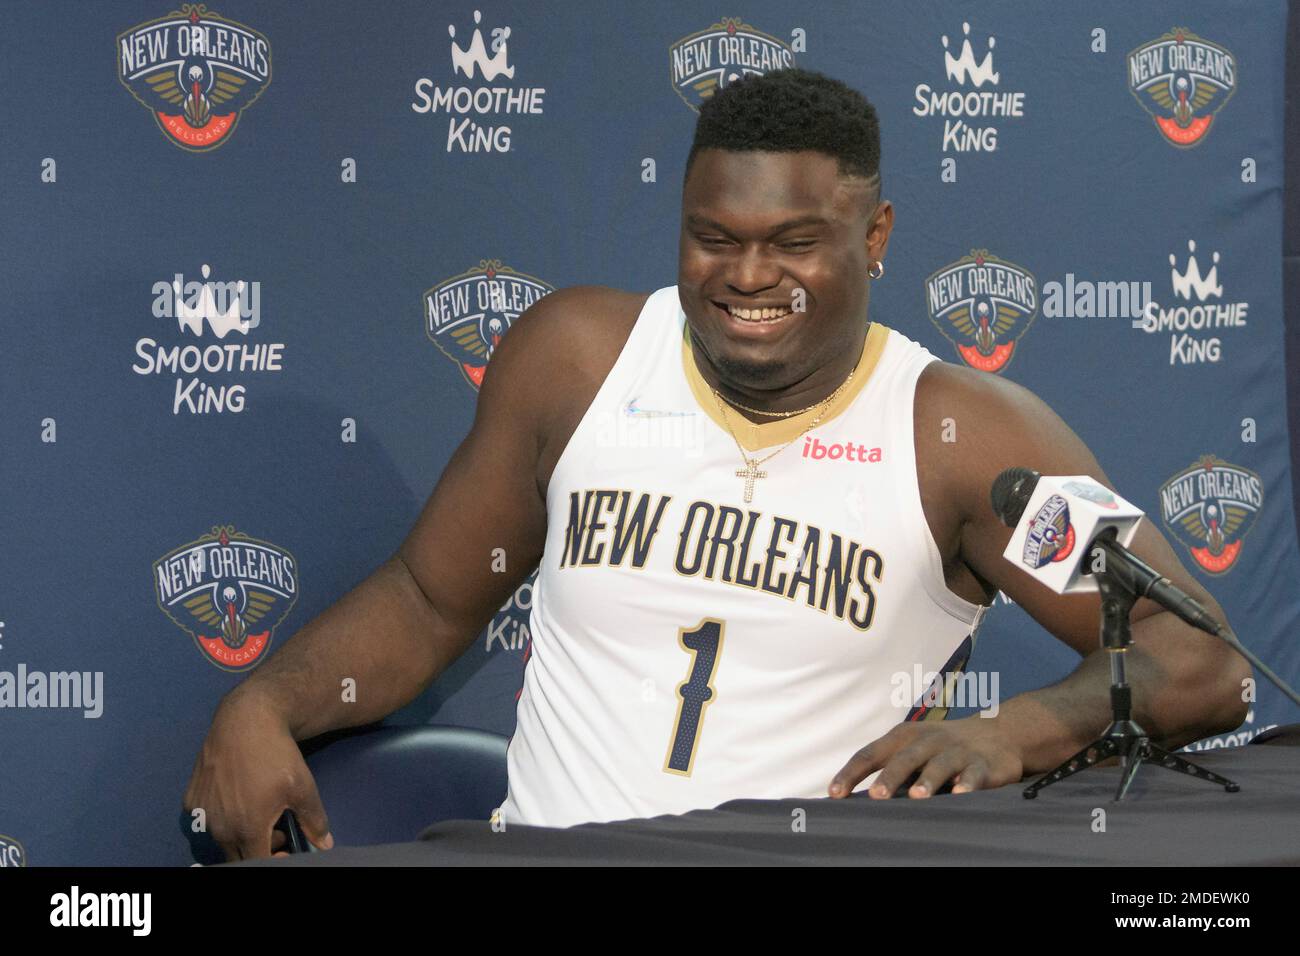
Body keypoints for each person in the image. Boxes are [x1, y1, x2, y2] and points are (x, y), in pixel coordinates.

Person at [184, 68, 1251, 859]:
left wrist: (1014, 727)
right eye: (712, 236)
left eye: (794, 241)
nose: (746, 275)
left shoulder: (962, 438)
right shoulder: (579, 359)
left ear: (874, 236)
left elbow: (1199, 659)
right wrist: (264, 702)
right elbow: (423, 602)